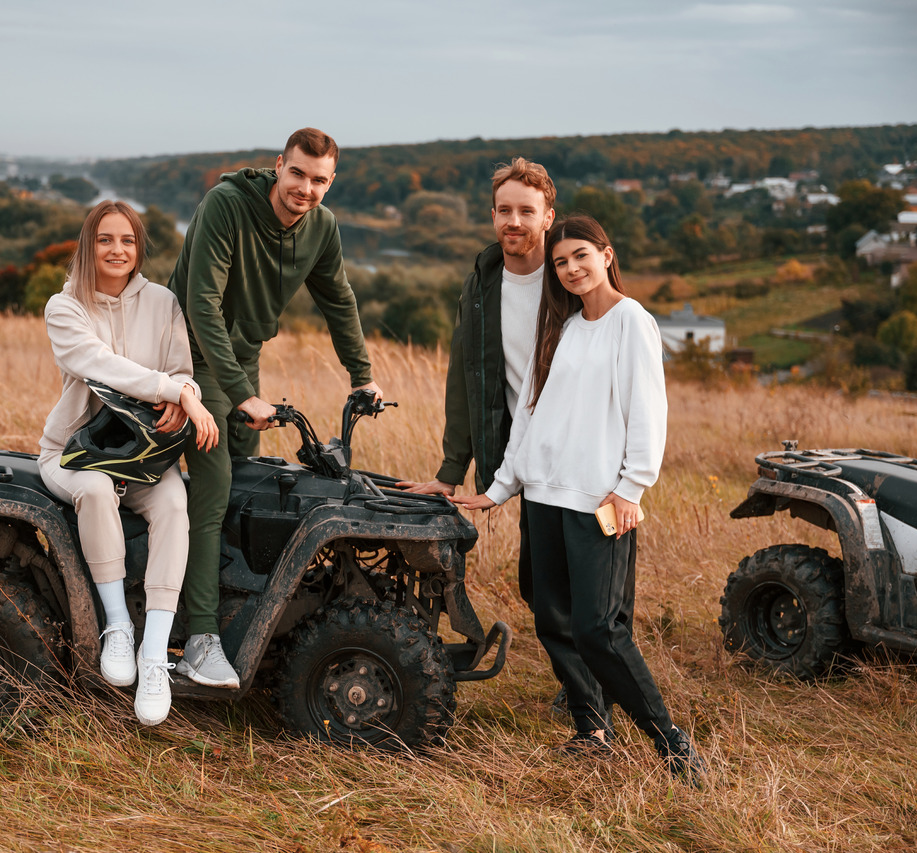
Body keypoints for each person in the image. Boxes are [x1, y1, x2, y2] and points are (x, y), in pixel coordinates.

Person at [450, 214, 707, 785]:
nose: (570, 269)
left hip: (600, 499)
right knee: (550, 616)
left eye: (581, 256)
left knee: (599, 629)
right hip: (544, 495)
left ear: (607, 255)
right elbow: (530, 414)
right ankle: (593, 729)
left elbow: (648, 412)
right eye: (561, 262)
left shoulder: (631, 321)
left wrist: (631, 486)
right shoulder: (563, 328)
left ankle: (671, 742)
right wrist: (499, 488)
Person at [169, 128, 382, 688]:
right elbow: (202, 304)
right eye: (297, 174)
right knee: (215, 486)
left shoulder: (321, 227)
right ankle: (199, 639)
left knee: (247, 480)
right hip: (189, 356)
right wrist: (240, 395)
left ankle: (238, 606)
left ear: (330, 183)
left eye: (319, 180)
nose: (305, 189)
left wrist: (362, 378)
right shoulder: (226, 205)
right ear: (278, 167)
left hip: (242, 358)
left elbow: (338, 298)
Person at [38, 199, 217, 726]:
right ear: (88, 246)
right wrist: (176, 391)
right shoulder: (64, 306)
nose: (118, 250)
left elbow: (182, 370)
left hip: (142, 458)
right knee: (93, 489)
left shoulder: (162, 302)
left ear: (139, 248)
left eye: (128, 240)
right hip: (73, 451)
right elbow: (98, 364)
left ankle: (155, 653)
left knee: (175, 507)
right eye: (105, 240)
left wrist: (182, 391)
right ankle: (117, 626)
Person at [397, 157, 556, 612]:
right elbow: (465, 381)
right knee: (540, 585)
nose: (514, 221)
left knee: (588, 586)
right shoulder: (481, 287)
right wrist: (450, 471)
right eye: (504, 210)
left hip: (584, 455)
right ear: (493, 216)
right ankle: (578, 683)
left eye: (527, 211)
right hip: (529, 455)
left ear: (548, 217)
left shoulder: (569, 278)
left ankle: (594, 685)